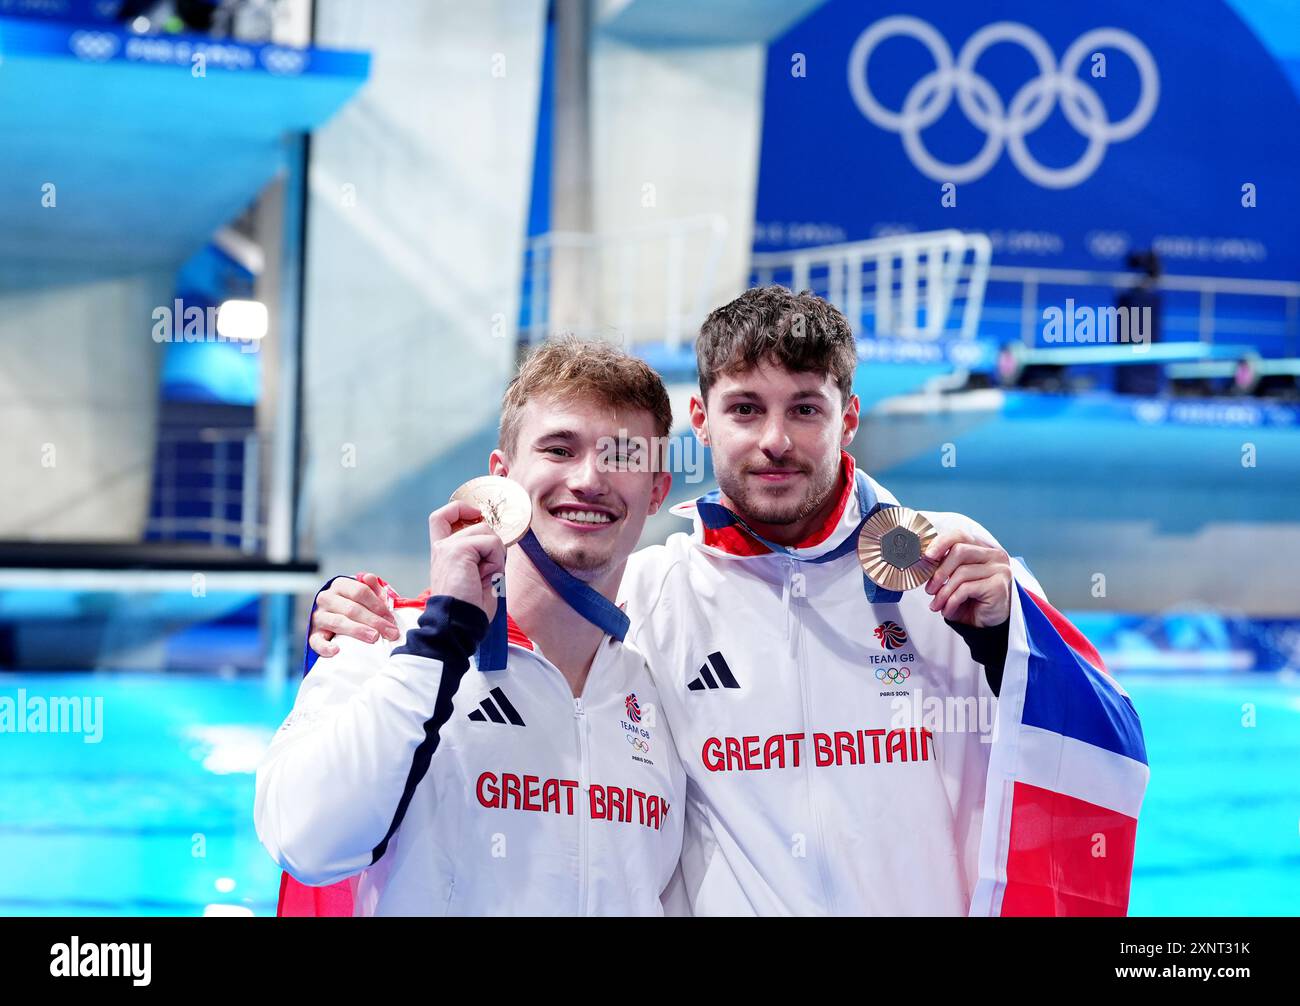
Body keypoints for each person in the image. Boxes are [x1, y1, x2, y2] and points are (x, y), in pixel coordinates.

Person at [310, 288, 1148, 916]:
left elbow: (1105, 743)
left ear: (848, 418)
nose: (776, 440)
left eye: (805, 410)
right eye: (746, 409)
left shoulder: (944, 561)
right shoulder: (652, 592)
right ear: (703, 423)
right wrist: (356, 607)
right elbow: (511, 615)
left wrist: (1008, 635)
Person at [255, 337, 686, 915]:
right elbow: (304, 839)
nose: (589, 480)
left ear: (657, 488)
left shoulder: (656, 690)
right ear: (502, 477)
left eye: (622, 456)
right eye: (559, 449)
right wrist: (441, 642)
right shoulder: (385, 641)